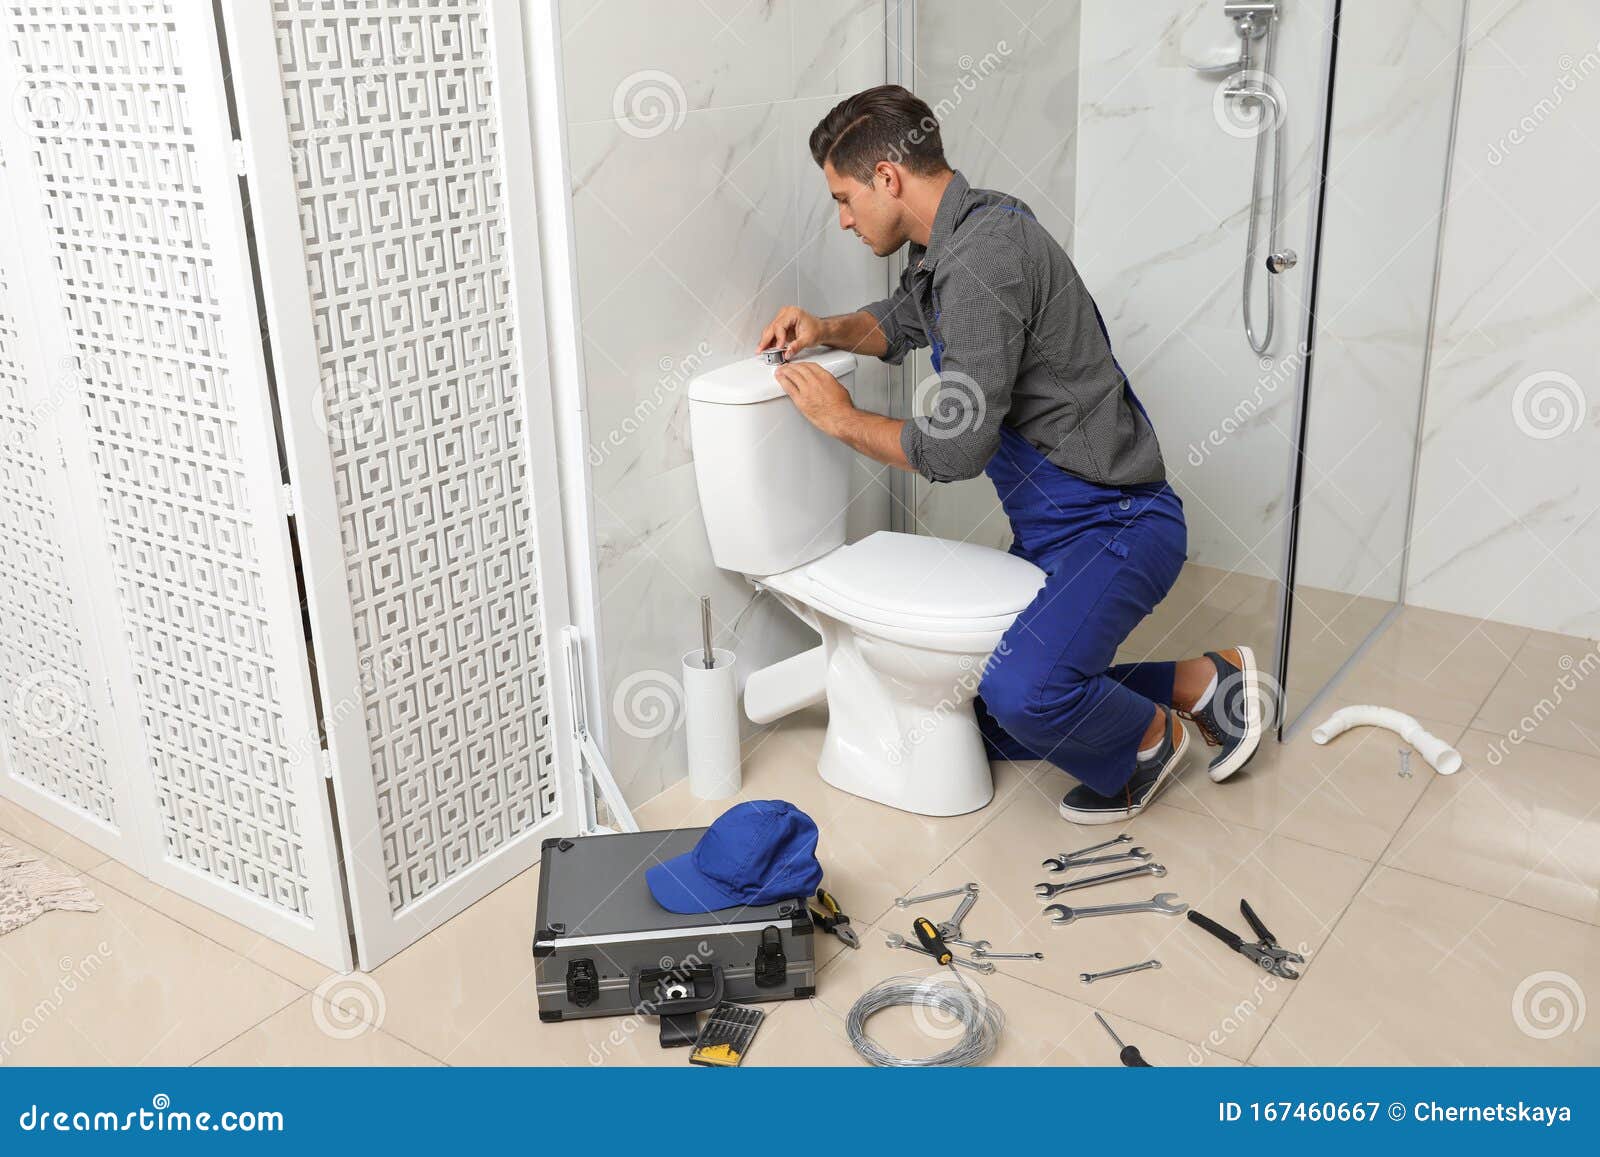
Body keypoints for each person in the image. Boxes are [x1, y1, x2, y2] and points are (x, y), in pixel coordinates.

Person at [756, 85, 1264, 824]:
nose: (843, 219)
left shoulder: (984, 261)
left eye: (844, 198)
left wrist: (841, 420)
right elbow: (903, 322)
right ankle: (1202, 683)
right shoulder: (958, 237)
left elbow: (956, 450)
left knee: (1024, 695)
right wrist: (824, 327)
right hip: (1060, 529)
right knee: (982, 718)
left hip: (1117, 525)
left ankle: (1148, 746)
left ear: (887, 180)